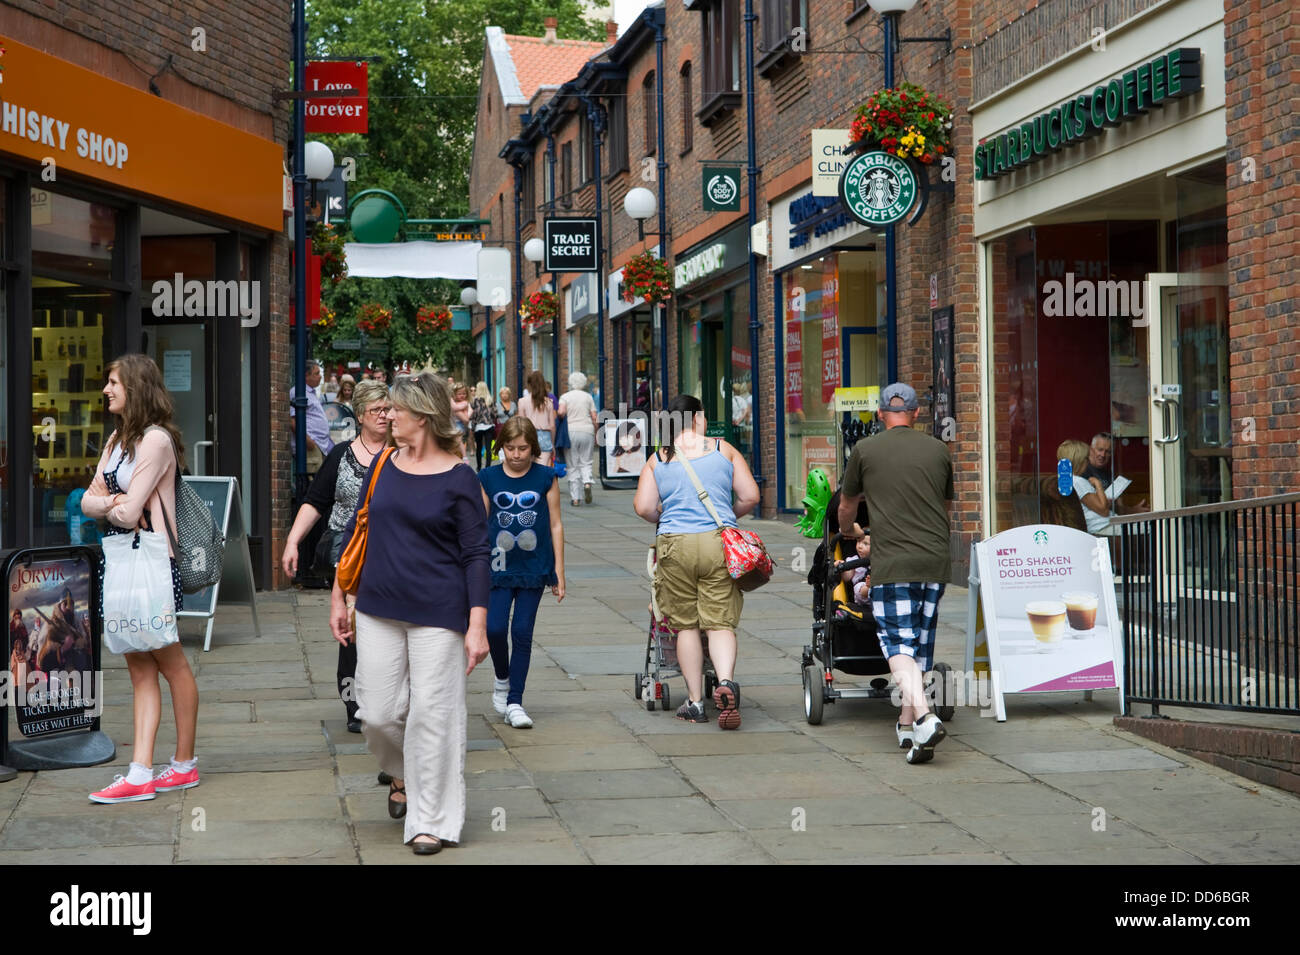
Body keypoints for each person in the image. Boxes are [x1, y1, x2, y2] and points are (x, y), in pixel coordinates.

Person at [330, 372, 490, 855]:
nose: (388, 415)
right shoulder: (381, 465)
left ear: (421, 415)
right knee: (376, 713)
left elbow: (476, 553)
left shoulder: (461, 478)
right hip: (377, 606)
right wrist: (340, 594)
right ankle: (404, 771)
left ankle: (431, 820)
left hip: (440, 611)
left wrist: (477, 623)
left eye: (395, 409)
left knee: (433, 716)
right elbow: (358, 531)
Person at [81, 353, 201, 802]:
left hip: (151, 563)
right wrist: (115, 501)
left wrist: (111, 502)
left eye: (114, 382)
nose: (106, 390)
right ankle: (140, 772)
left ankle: (183, 764)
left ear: (136, 387)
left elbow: (129, 513)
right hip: (122, 560)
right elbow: (86, 502)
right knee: (137, 666)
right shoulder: (116, 440)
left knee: (170, 662)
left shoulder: (155, 441)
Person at [837, 383, 952, 765]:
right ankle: (908, 726)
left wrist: (849, 531)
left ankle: (923, 714)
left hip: (894, 561)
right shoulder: (938, 449)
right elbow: (943, 501)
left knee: (897, 645)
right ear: (917, 414)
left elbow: (847, 505)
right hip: (935, 559)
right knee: (919, 643)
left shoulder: (865, 450)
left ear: (882, 414)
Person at [633, 395, 760, 728]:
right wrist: (724, 516)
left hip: (676, 545)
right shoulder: (723, 449)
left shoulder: (658, 457)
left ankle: (694, 702)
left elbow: (643, 507)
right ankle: (725, 682)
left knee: (686, 623)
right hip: (719, 542)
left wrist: (667, 516)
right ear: (700, 418)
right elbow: (750, 496)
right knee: (719, 622)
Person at [283, 380, 392, 733]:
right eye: (376, 410)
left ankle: (383, 697)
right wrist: (292, 542)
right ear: (359, 415)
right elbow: (315, 501)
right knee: (353, 628)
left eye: (387, 409)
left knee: (384, 627)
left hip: (390, 553)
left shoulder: (400, 454)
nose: (384, 416)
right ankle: (353, 702)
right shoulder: (341, 455)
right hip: (346, 554)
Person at [479, 417, 565, 729]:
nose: (516, 455)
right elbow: (478, 525)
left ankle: (515, 700)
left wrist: (559, 571)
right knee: (495, 629)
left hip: (534, 567)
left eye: (523, 448)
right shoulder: (488, 477)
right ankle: (502, 677)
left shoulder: (546, 477)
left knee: (523, 633)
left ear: (533, 448)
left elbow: (555, 523)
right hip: (497, 566)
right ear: (501, 448)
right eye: (510, 448)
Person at [557, 372, 598, 506]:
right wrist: (596, 432)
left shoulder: (565, 397)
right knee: (586, 461)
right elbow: (594, 417)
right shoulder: (588, 397)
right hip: (587, 431)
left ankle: (575, 498)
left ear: (570, 383)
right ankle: (587, 482)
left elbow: (561, 412)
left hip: (571, 431)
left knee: (572, 464)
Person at [288, 359, 334, 475]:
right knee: (312, 482)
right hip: (310, 445)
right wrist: (307, 440)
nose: (320, 377)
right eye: (317, 373)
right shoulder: (298, 392)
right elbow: (292, 420)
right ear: (306, 376)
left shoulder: (310, 393)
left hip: (319, 445)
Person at [1060, 438, 1113, 535]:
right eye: (1086, 458)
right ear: (1080, 461)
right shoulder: (1078, 482)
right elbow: (1104, 511)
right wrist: (1098, 484)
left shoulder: (1066, 480)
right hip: (1103, 527)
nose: (1088, 462)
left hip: (1098, 526)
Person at [518, 370, 556, 466]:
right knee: (543, 469)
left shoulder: (522, 401)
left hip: (528, 435)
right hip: (545, 436)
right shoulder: (548, 402)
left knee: (528, 469)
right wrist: (553, 443)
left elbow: (521, 425)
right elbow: (552, 426)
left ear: (529, 384)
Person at [470, 382, 497, 470]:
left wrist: (473, 427)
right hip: (489, 426)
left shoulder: (474, 400)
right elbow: (495, 414)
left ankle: (478, 467)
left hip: (478, 427)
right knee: (488, 448)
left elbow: (473, 415)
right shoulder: (490, 400)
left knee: (479, 447)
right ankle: (488, 467)